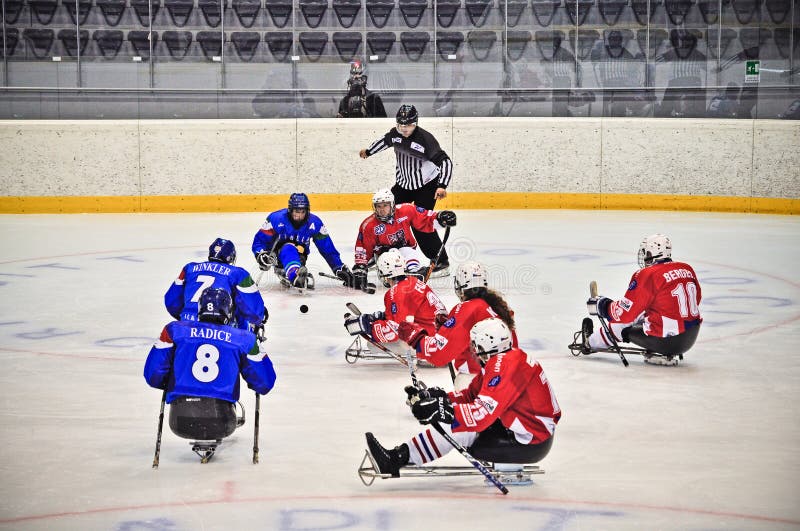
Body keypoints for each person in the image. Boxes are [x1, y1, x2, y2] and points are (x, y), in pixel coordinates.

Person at [365, 318, 561, 477]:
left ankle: (394, 460)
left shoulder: (504, 365)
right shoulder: (506, 359)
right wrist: (437, 396)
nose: (472, 349)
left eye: (475, 344)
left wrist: (442, 409)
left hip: (530, 440)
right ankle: (398, 456)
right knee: (456, 421)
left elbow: (481, 414)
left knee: (455, 426)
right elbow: (471, 396)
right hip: (531, 432)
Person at [144, 287, 276, 447]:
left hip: (179, 421)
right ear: (228, 311)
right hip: (223, 421)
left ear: (200, 308)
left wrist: (171, 384)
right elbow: (265, 382)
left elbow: (153, 374)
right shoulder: (244, 339)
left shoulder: (174, 330)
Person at [576, 233, 702, 365]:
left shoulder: (648, 274)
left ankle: (590, 343)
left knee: (621, 325)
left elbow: (625, 314)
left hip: (666, 341)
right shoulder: (687, 269)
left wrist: (602, 305)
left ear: (651, 253)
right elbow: (696, 299)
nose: (644, 256)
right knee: (641, 314)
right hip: (690, 337)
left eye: (645, 253)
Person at [359, 104, 454, 275]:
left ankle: (441, 262)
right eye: (401, 125)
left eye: (408, 125)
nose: (404, 129)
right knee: (384, 214)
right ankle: (380, 253)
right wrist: (369, 151)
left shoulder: (426, 139)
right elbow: (385, 141)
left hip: (426, 186)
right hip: (404, 185)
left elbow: (445, 161)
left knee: (420, 223)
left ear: (415, 123)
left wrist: (442, 185)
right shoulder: (396, 134)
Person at [396, 261, 518, 390]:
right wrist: (447, 329)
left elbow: (439, 355)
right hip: (509, 380)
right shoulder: (497, 307)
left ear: (460, 286)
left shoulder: (468, 309)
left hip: (481, 381)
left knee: (460, 385)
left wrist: (416, 337)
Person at [353, 188, 457, 290]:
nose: (382, 209)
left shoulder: (406, 210)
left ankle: (414, 272)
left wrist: (441, 218)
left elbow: (425, 218)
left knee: (408, 252)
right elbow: (363, 248)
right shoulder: (368, 225)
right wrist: (360, 268)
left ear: (392, 204)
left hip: (405, 248)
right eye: (378, 206)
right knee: (391, 256)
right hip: (383, 256)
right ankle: (397, 275)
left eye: (385, 205)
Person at [252, 193, 354, 290]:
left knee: (295, 250)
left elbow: (327, 248)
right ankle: (294, 275)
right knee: (288, 247)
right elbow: (259, 241)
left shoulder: (315, 223)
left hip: (300, 257)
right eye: (297, 211)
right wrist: (261, 254)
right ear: (290, 210)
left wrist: (338, 267)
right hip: (277, 256)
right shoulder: (276, 219)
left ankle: (297, 273)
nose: (299, 216)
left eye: (303, 212)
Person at [165, 238, 267, 335]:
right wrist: (259, 318)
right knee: (241, 312)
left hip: (186, 327)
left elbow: (171, 301)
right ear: (230, 257)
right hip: (220, 330)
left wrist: (186, 316)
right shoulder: (238, 273)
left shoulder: (189, 268)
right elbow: (254, 310)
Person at [344, 249, 447, 344]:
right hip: (444, 333)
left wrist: (366, 325)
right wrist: (378, 317)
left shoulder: (395, 292)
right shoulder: (413, 281)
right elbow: (406, 311)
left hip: (432, 341)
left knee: (375, 345)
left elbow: (394, 330)